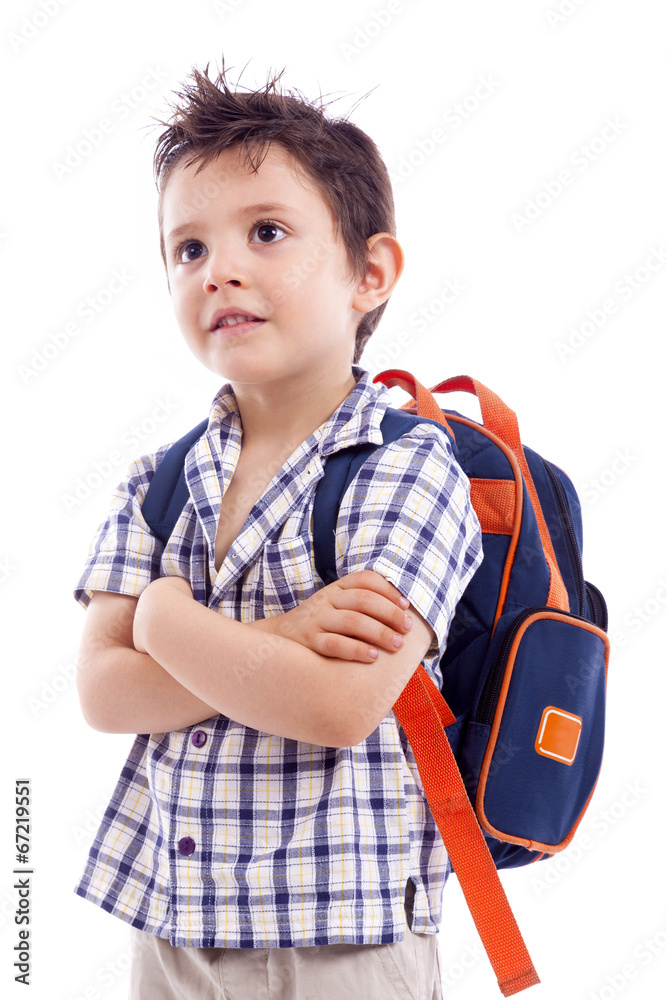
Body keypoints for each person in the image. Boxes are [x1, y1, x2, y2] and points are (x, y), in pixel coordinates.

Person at [73, 60, 483, 1000]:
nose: (219, 269)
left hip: (341, 930)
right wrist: (273, 643)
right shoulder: (159, 482)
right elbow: (103, 691)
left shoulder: (408, 465)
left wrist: (168, 621)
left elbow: (333, 706)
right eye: (187, 249)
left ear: (368, 273)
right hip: (173, 925)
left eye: (266, 233)